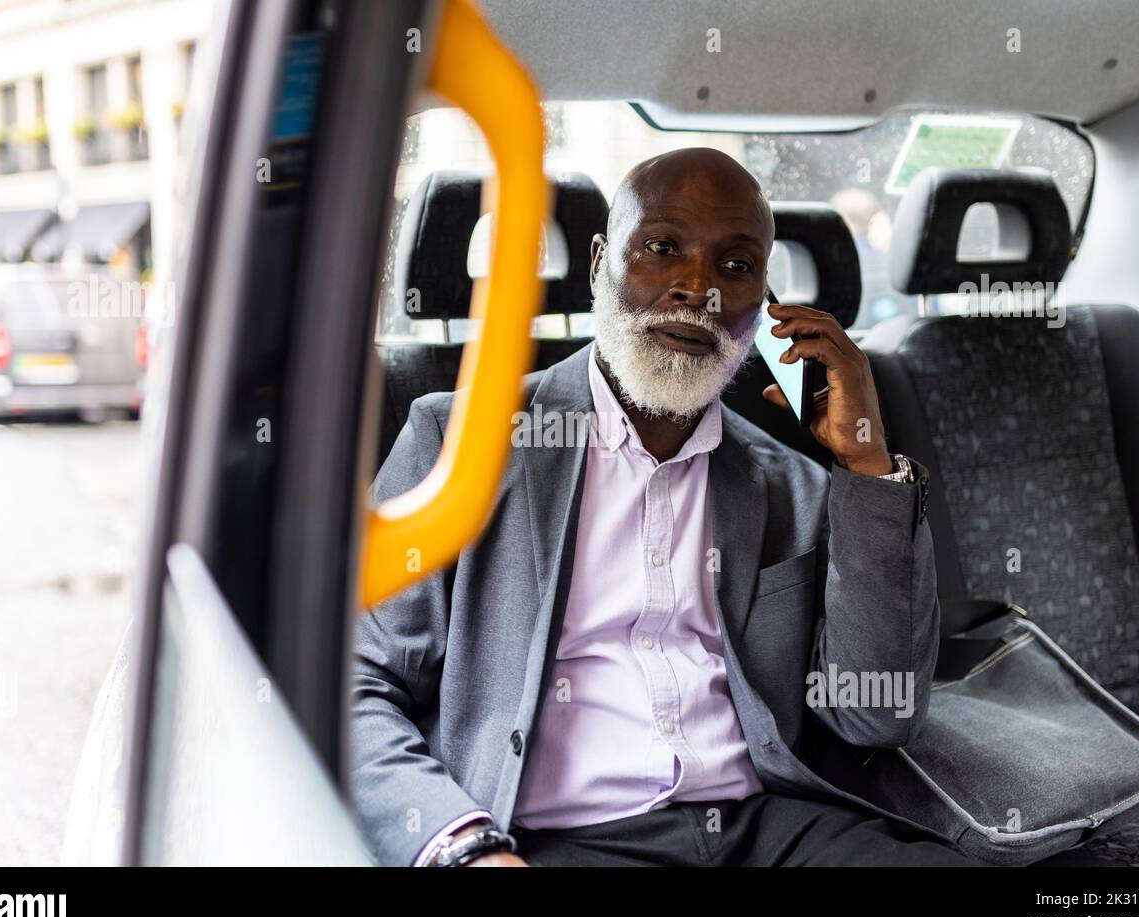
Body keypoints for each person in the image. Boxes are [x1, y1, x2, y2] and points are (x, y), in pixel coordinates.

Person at [352, 147, 980, 867]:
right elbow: (355, 685)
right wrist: (463, 846)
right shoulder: (459, 443)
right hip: (556, 841)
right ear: (598, 263)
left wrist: (866, 462)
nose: (697, 288)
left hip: (766, 827)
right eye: (662, 247)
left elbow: (881, 714)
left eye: (736, 265)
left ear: (763, 306)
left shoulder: (794, 487)